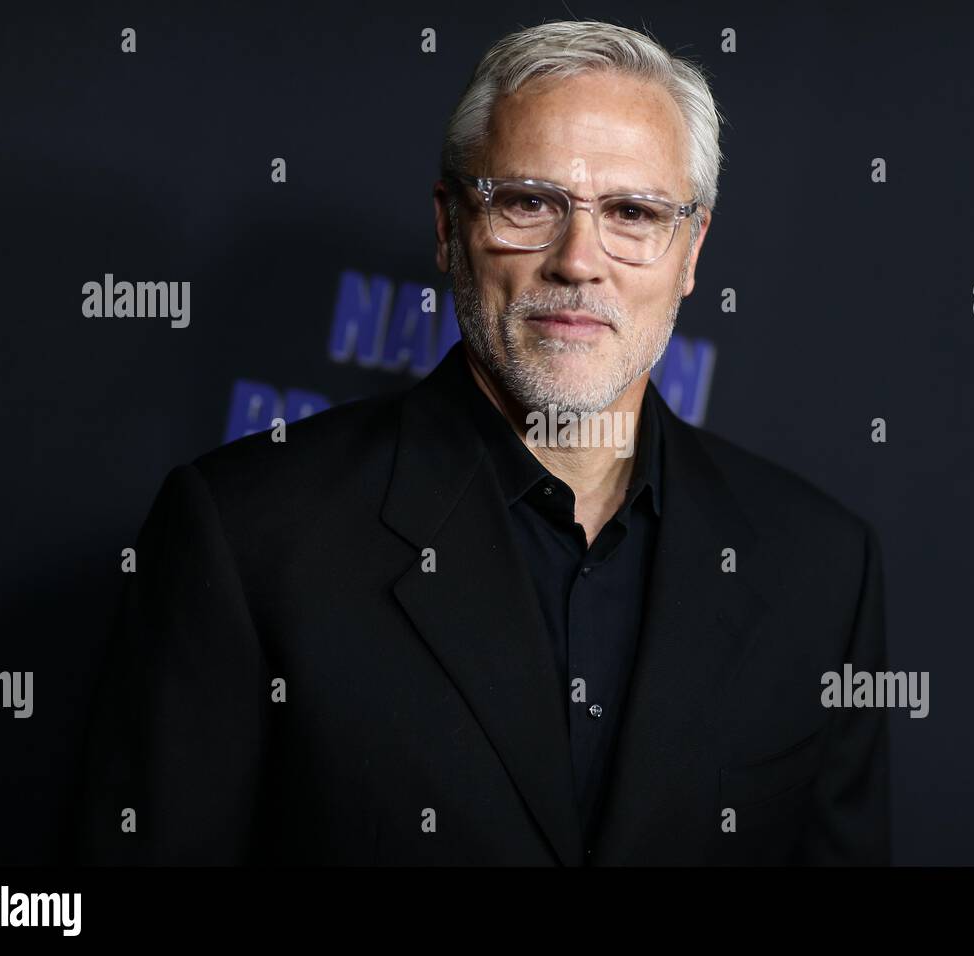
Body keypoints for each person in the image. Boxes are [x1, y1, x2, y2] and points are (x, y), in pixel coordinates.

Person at [78, 18, 890, 866]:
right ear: (448, 225)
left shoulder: (821, 568)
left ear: (690, 252)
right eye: (529, 203)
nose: (579, 260)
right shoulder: (247, 536)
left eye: (633, 212)